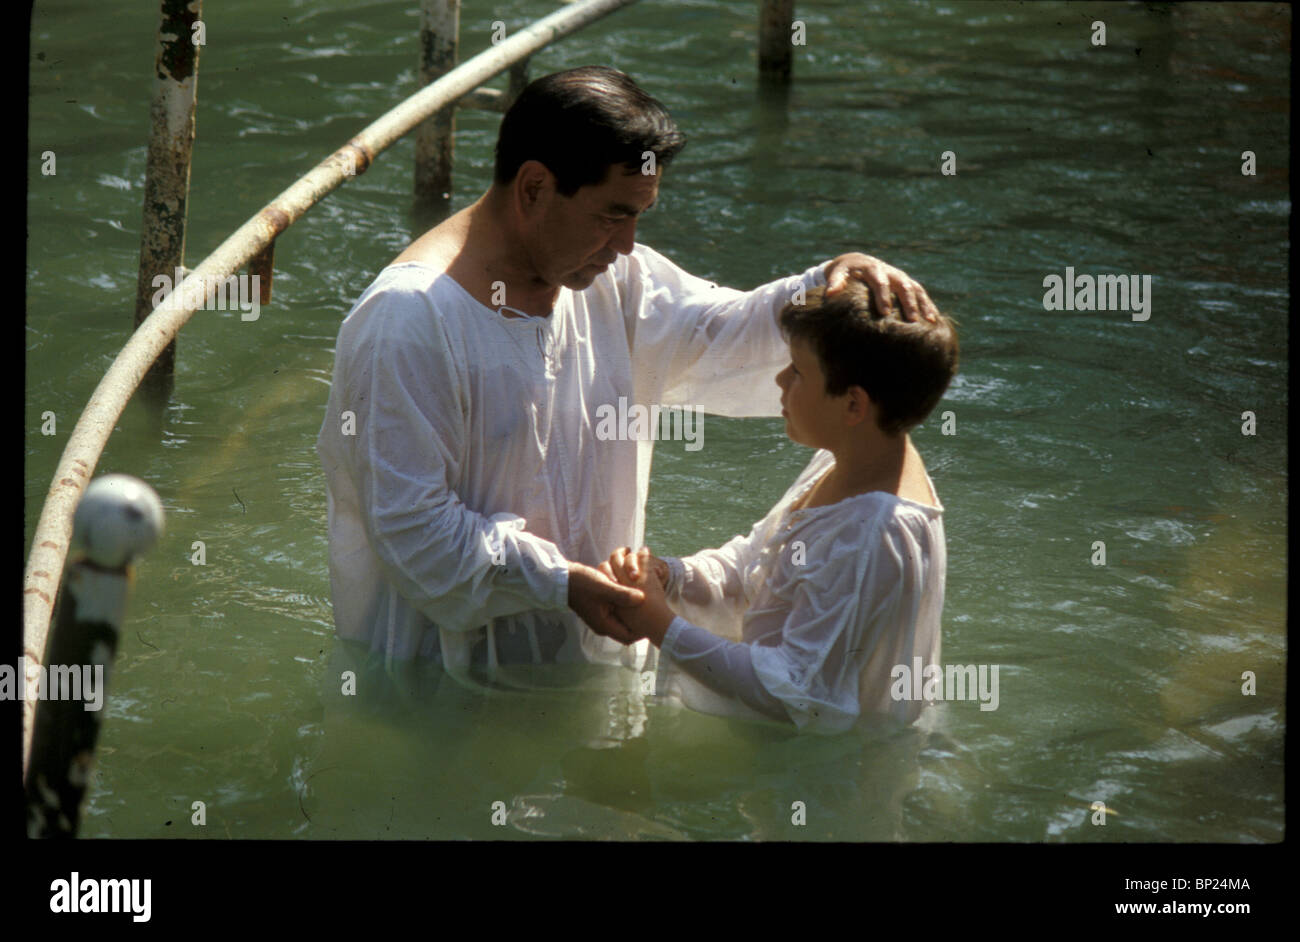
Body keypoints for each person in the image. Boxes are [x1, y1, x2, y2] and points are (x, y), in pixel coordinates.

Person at [316, 65, 940, 685]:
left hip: (588, 662)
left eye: (639, 217)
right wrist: (559, 582)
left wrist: (830, 281)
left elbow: (724, 335)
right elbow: (416, 535)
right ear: (533, 188)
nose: (626, 244)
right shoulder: (409, 320)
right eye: (612, 215)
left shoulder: (611, 277)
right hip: (435, 690)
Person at [602, 280, 958, 732]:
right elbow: (759, 561)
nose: (779, 380)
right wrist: (671, 576)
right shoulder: (846, 459)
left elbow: (797, 693)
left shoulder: (871, 532)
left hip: (831, 787)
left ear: (853, 404)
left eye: (797, 371)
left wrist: (662, 626)